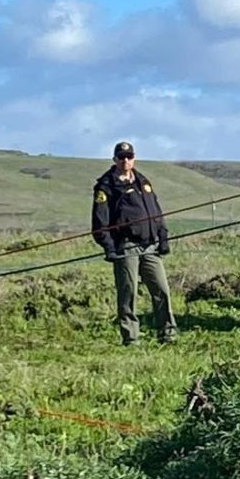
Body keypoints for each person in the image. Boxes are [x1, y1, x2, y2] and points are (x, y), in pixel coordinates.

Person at [92, 141, 177, 345]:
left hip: (150, 244)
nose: (126, 161)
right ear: (115, 159)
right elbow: (99, 222)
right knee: (128, 292)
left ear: (134, 158)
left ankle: (168, 333)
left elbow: (156, 211)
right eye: (121, 157)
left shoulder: (143, 181)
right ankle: (131, 337)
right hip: (126, 245)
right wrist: (109, 247)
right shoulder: (106, 186)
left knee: (161, 289)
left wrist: (163, 237)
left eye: (129, 157)